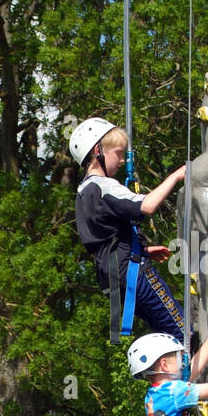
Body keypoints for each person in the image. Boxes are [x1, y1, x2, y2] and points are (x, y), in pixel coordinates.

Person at [71, 117, 186, 340]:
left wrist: (142, 250)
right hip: (134, 274)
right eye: (118, 153)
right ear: (98, 150)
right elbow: (148, 205)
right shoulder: (103, 186)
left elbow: (105, 236)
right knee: (182, 333)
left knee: (169, 338)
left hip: (115, 278)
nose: (122, 160)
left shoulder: (83, 193)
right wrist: (176, 175)